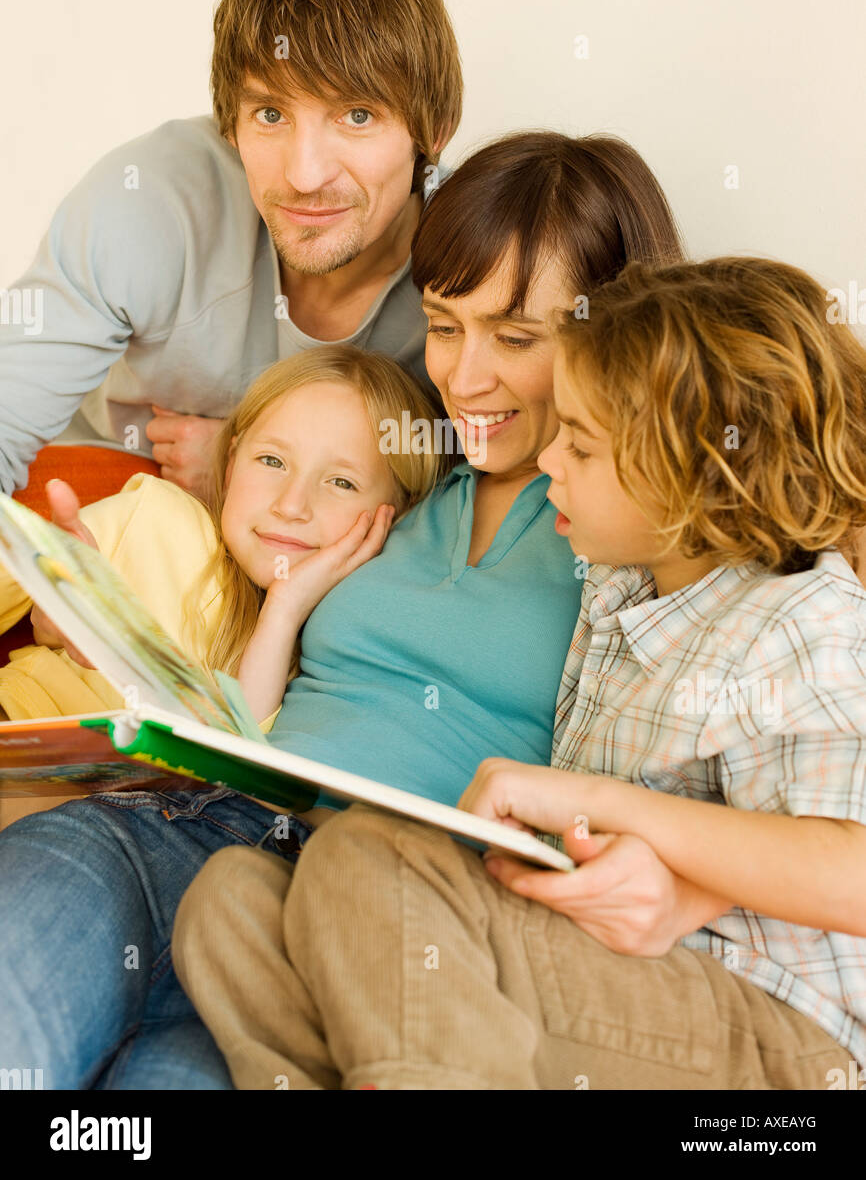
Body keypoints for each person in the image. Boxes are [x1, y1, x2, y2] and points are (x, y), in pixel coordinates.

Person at [0, 129, 684, 1090]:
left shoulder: (635, 542)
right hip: (189, 827)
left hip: (372, 927)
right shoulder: (400, 482)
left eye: (516, 338)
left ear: (617, 335)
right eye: (443, 325)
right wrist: (101, 617)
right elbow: (253, 539)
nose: (465, 379)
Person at [172, 255, 866, 1091]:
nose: (550, 462)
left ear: (692, 476)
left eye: (580, 444)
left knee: (371, 856)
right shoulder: (618, 588)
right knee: (230, 899)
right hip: (598, 966)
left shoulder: (798, 619)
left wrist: (598, 804)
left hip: (778, 1037)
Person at [0, 0, 462, 500]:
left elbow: (505, 479)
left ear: (434, 131)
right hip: (97, 493)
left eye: (358, 116)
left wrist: (244, 461)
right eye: (270, 114)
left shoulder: (481, 260)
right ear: (230, 128)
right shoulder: (152, 196)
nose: (305, 176)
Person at [0, 346, 446, 723]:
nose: (291, 505)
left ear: (399, 515)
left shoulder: (343, 647)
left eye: (341, 482)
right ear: (232, 465)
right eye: (272, 461)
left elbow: (235, 759)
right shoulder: (156, 517)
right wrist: (47, 587)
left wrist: (283, 610)